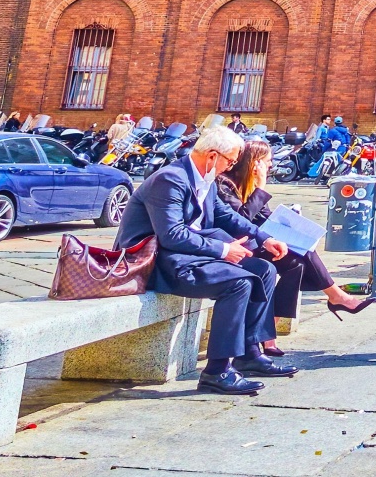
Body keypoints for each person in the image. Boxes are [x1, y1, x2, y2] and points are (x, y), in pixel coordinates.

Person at [113, 124, 292, 395]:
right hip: (160, 261)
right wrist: (223, 250)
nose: (230, 167)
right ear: (212, 156)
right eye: (229, 161)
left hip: (189, 255)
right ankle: (217, 371)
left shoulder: (203, 179)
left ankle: (249, 352)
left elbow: (226, 216)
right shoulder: (170, 179)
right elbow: (171, 235)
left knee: (263, 269)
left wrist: (263, 237)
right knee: (238, 283)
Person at [217, 140, 370, 355]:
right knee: (300, 254)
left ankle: (270, 328)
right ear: (255, 164)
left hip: (257, 242)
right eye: (268, 162)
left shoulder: (248, 183)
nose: (270, 166)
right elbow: (239, 223)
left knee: (297, 259)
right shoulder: (225, 185)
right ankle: (335, 297)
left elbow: (264, 217)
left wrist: (290, 223)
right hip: (234, 247)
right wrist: (260, 188)